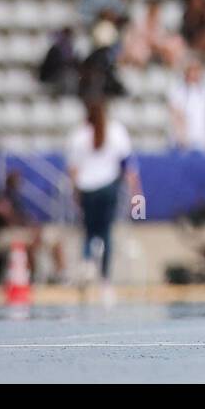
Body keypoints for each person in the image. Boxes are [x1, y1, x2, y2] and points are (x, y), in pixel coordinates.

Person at [66, 96, 139, 306]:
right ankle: (105, 280)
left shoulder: (79, 134)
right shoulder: (116, 132)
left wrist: (75, 192)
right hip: (108, 187)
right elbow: (128, 166)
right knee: (106, 232)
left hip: (87, 187)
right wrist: (136, 193)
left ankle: (88, 264)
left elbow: (73, 169)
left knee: (89, 231)